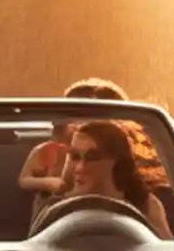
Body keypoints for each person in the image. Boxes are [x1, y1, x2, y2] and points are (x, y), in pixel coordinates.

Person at [18, 78, 131, 220]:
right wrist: (48, 183)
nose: (82, 126)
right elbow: (24, 180)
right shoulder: (48, 151)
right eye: (77, 119)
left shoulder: (127, 159)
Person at [47, 119, 174, 240]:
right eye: (75, 157)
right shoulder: (57, 207)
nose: (80, 168)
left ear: (116, 161)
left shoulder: (144, 204)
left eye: (92, 157)